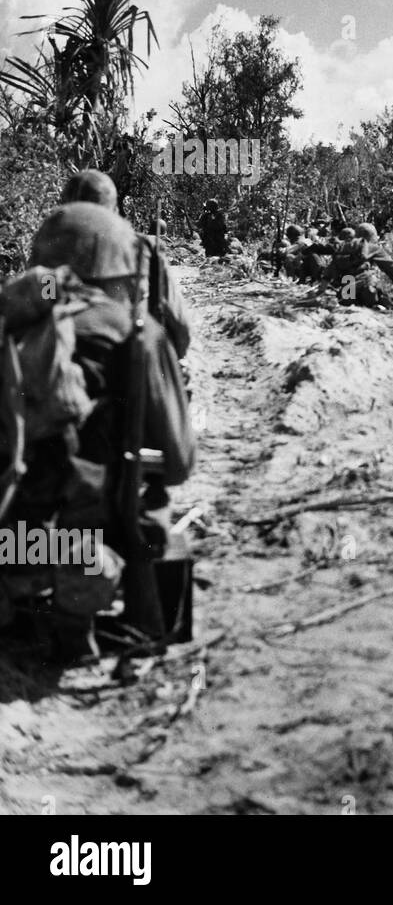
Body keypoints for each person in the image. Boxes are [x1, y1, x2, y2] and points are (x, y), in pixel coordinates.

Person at [1, 202, 196, 662]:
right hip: (79, 552)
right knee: (151, 503)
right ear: (122, 265)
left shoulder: (14, 324)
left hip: (12, 540)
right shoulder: (137, 333)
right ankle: (83, 618)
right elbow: (179, 464)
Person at [56, 170, 190, 359]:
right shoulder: (143, 248)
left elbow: (44, 299)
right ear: (113, 210)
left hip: (63, 354)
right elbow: (178, 321)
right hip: (128, 356)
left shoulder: (50, 253)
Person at [327, 222, 393, 308]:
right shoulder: (372, 247)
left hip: (347, 291)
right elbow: (390, 266)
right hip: (366, 289)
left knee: (350, 304)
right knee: (385, 302)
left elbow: (330, 270)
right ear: (372, 236)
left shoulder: (345, 248)